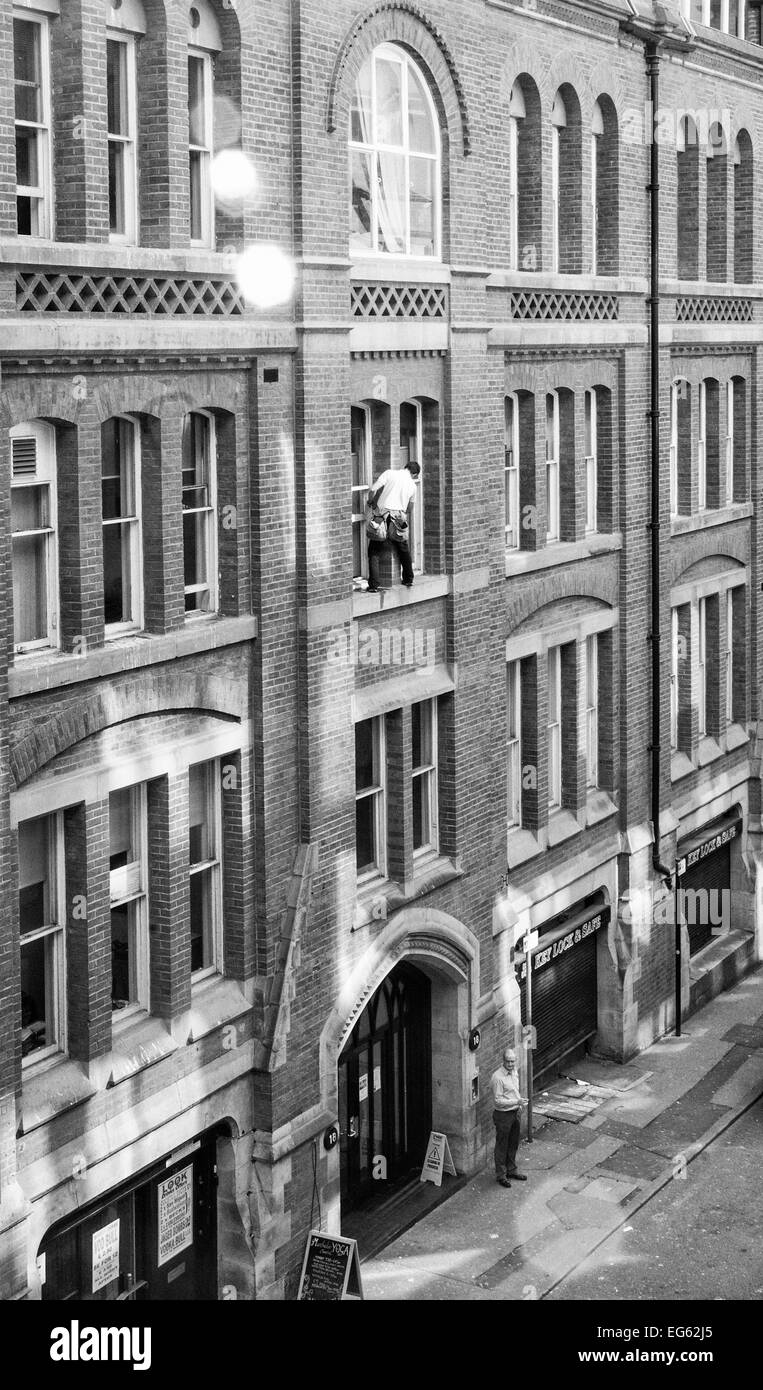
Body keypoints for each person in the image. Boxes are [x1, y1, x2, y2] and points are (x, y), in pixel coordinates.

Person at [365, 460, 421, 592]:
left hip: (382, 515)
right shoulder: (413, 486)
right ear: (414, 474)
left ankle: (373, 585)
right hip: (398, 517)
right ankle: (408, 579)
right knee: (403, 549)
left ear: (405, 467)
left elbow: (373, 490)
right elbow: (410, 508)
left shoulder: (389, 473)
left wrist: (371, 502)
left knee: (374, 550)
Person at [491, 1047, 528, 1187]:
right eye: (508, 1062)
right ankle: (501, 1175)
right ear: (503, 1061)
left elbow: (514, 1090)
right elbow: (497, 1101)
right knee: (502, 1145)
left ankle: (511, 1170)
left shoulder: (514, 1072)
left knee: (513, 1142)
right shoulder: (497, 1078)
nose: (511, 1065)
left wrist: (520, 1103)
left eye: (513, 1061)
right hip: (503, 1115)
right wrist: (516, 1102)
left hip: (514, 1112)